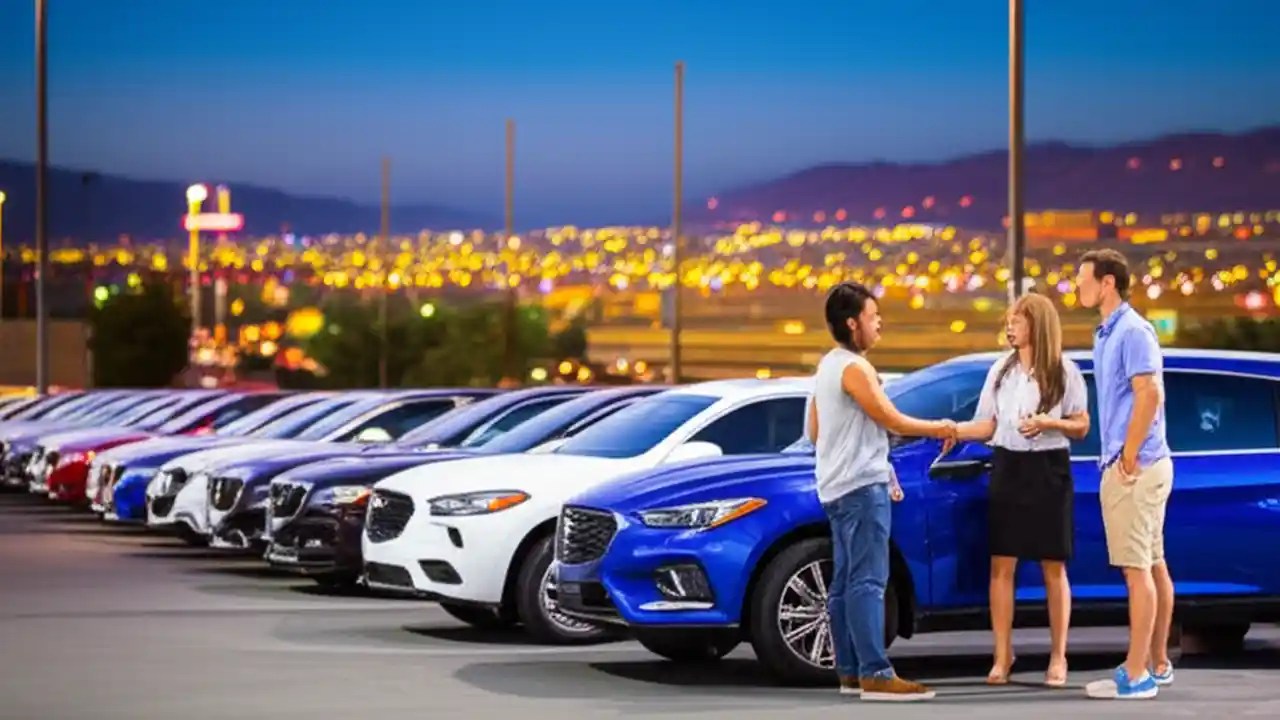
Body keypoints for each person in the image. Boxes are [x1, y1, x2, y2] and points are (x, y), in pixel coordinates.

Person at [806, 281, 956, 702]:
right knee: (868, 581)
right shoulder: (855, 369)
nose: (879, 325)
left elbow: (814, 431)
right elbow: (891, 419)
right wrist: (940, 427)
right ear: (853, 323)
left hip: (836, 487)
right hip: (860, 488)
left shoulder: (826, 368)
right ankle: (876, 671)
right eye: (873, 318)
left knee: (845, 582)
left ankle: (850, 671)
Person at [946, 292, 1090, 688]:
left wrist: (1049, 423)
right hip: (1008, 466)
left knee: (1053, 565)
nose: (1009, 327)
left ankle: (1058, 656)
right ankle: (1002, 654)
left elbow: (1081, 425)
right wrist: (952, 430)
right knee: (1001, 564)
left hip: (1048, 469)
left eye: (1017, 321)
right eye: (1008, 320)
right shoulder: (1001, 371)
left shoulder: (1064, 370)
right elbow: (987, 425)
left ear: (1037, 325)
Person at [1075, 249, 1174, 700]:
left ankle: (1136, 675)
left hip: (1137, 466)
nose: (1078, 287)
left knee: (1137, 571)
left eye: (1084, 280)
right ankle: (1154, 663)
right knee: (1152, 564)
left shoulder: (1132, 331)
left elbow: (1148, 392)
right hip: (1141, 464)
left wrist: (1128, 456)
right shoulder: (1108, 332)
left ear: (1107, 282)